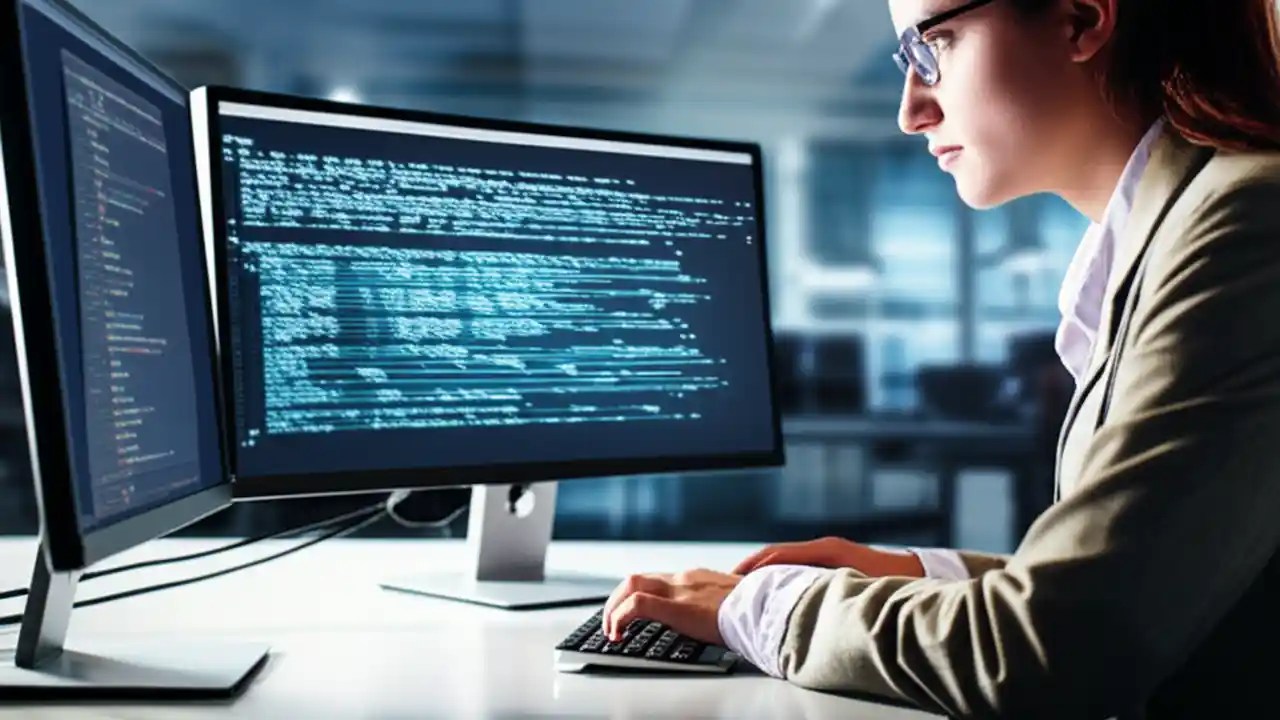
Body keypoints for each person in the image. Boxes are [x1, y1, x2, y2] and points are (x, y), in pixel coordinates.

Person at [601, 0, 1280, 716]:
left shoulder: (1242, 224)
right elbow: (1140, 583)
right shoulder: (1180, 228)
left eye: (934, 46)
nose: (911, 111)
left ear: (1080, 20)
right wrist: (919, 574)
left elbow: (1060, 645)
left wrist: (766, 608)